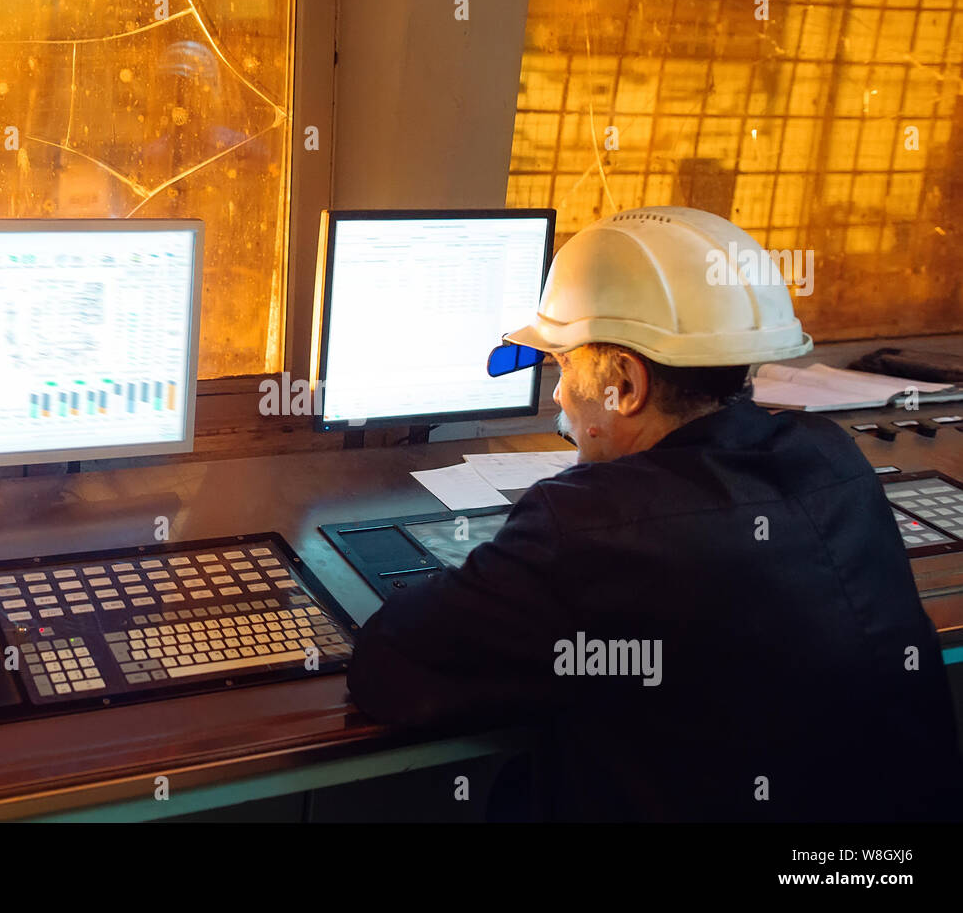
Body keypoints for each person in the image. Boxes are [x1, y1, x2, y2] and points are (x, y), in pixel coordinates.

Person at [346, 206, 963, 822]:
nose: (558, 394)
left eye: (564, 366)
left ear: (627, 386)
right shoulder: (835, 460)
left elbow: (388, 669)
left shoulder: (585, 528)